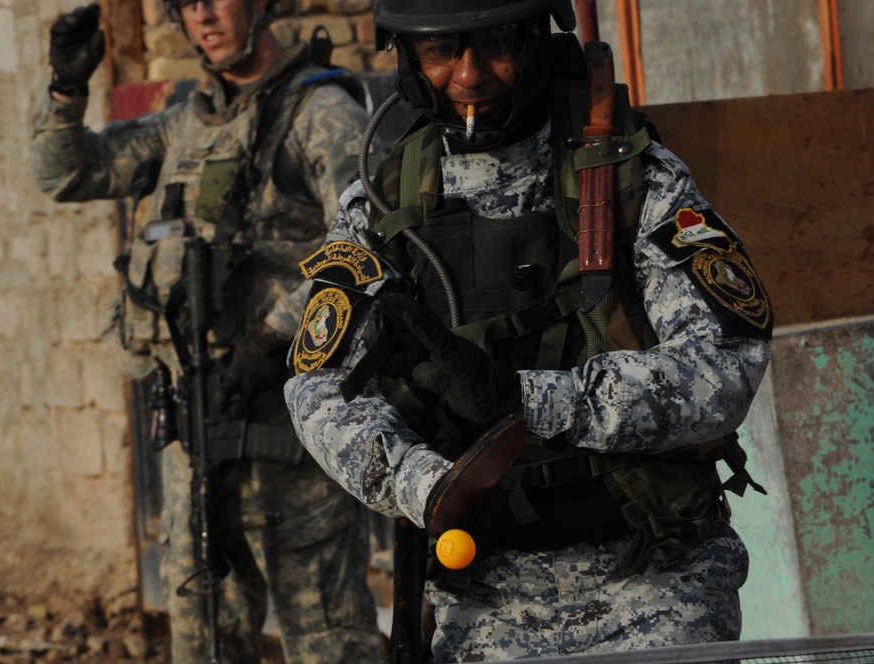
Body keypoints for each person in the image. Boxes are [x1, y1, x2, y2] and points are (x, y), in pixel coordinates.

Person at [284, 0, 774, 661]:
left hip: (655, 575)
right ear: (407, 57)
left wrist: (527, 400)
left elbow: (726, 363)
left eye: (497, 43)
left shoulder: (631, 176)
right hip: (483, 590)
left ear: (537, 39)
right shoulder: (380, 206)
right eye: (441, 51)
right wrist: (426, 484)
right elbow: (319, 388)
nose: (469, 74)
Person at [31, 1, 387, 662]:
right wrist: (66, 91)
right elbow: (67, 173)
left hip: (294, 424)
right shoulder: (183, 127)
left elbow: (370, 246)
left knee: (329, 640)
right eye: (185, 3)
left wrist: (275, 333)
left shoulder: (323, 113)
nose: (202, 15)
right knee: (205, 637)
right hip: (197, 425)